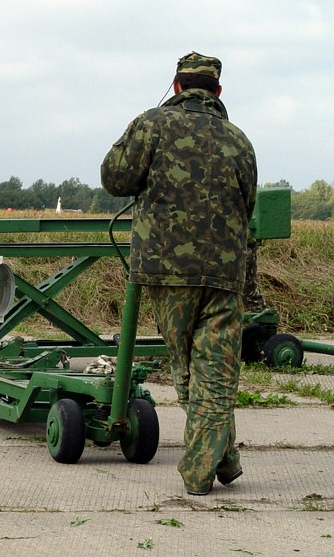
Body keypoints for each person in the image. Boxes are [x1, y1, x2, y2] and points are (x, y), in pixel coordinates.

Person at [100, 52, 257, 495]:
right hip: (226, 275)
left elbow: (115, 178)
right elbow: (249, 205)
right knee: (218, 371)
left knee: (188, 370)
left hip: (168, 274)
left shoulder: (151, 124)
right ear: (218, 92)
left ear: (176, 86)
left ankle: (199, 472)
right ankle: (222, 461)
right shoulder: (240, 140)